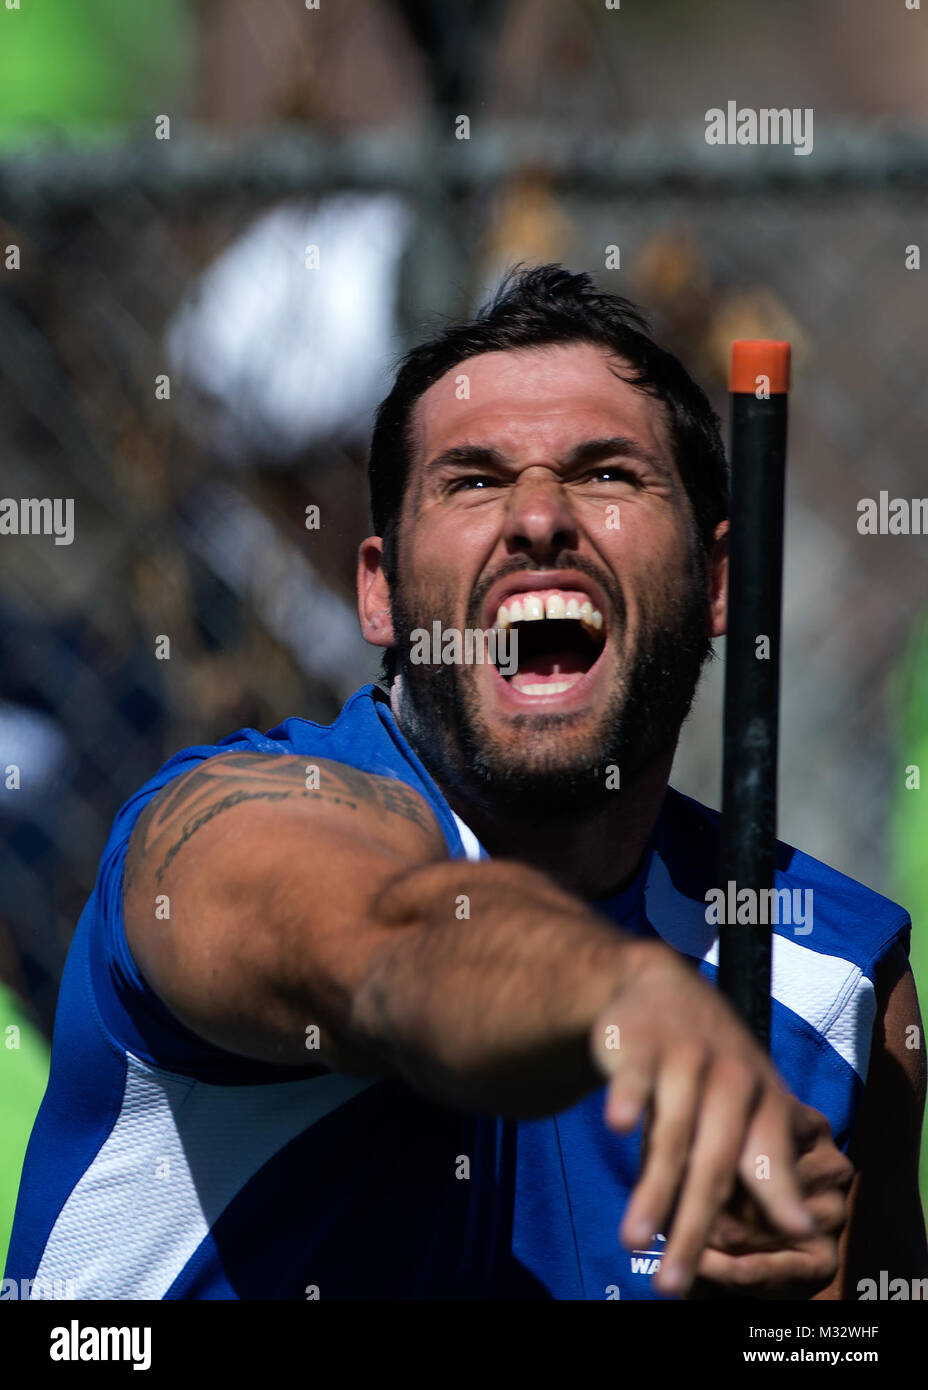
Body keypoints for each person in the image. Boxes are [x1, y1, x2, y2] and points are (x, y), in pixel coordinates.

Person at [6, 265, 925, 1301]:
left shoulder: (838, 989)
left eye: (608, 474)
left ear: (718, 584)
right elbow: (396, 953)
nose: (538, 517)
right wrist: (618, 992)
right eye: (474, 480)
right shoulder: (221, 838)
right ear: (381, 591)